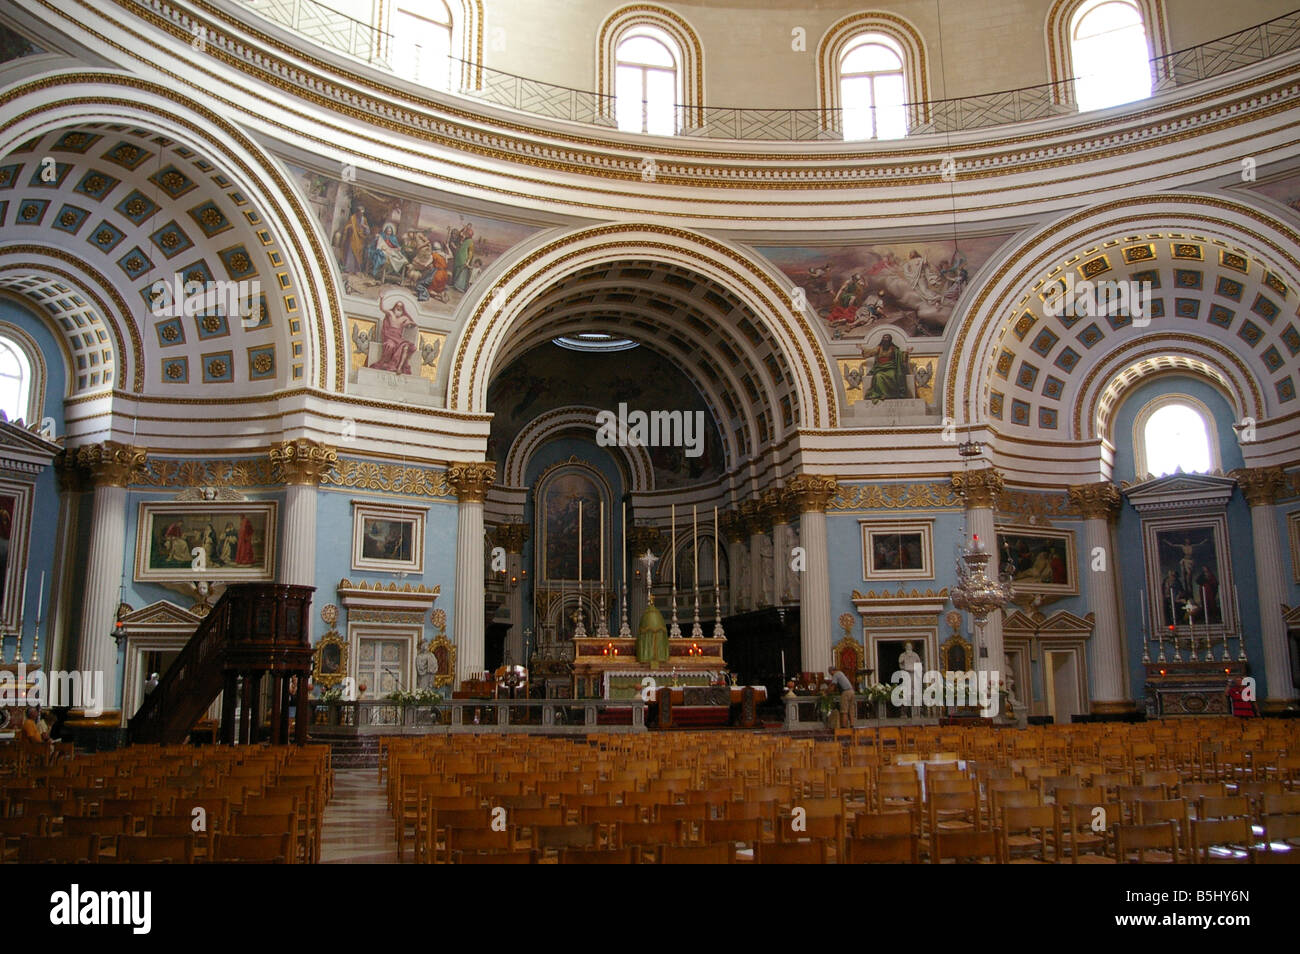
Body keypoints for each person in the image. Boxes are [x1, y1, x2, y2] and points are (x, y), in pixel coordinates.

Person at [371, 294, 419, 374]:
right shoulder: (390, 314)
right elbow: (382, 309)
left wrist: (408, 324)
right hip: (389, 336)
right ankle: (387, 363)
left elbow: (413, 324)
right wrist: (382, 299)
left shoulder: (404, 318)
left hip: (398, 338)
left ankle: (399, 367)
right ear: (395, 306)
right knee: (391, 345)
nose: (399, 308)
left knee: (406, 347)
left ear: (402, 308)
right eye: (397, 306)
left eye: (400, 306)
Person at [862, 333, 910, 402]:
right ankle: (881, 394)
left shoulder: (893, 349)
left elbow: (900, 355)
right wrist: (862, 349)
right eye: (884, 338)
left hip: (891, 368)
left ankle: (891, 394)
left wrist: (907, 353)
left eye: (887, 338)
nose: (885, 339)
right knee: (878, 376)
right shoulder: (879, 348)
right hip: (880, 368)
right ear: (882, 340)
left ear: (890, 340)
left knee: (893, 375)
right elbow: (870, 352)